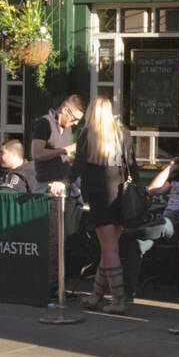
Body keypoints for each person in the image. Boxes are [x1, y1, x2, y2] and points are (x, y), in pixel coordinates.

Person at [52, 95, 133, 314]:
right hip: (120, 195)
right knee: (110, 248)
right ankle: (96, 296)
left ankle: (118, 300)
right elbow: (131, 163)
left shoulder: (87, 134)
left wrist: (65, 182)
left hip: (99, 195)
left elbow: (78, 166)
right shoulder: (123, 133)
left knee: (109, 248)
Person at [119, 141, 179, 299]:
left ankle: (128, 233)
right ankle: (128, 292)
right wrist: (171, 167)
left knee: (164, 224)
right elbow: (152, 190)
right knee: (137, 245)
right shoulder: (178, 176)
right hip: (164, 221)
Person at [31, 95, 83, 187]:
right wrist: (66, 149)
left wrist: (77, 160)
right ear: (65, 110)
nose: (76, 123)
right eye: (75, 119)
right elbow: (37, 154)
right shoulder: (44, 123)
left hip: (65, 182)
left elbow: (64, 157)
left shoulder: (68, 128)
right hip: (48, 184)